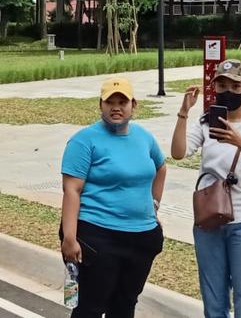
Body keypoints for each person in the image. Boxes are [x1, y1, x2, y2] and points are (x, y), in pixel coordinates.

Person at [170, 59, 241, 318]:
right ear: (214, 87)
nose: (228, 90)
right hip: (210, 222)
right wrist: (184, 112)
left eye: (236, 85)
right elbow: (178, 153)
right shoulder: (207, 124)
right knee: (214, 303)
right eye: (221, 85)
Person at [60, 77, 167, 318]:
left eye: (122, 102)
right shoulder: (84, 140)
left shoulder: (144, 137)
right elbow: (71, 190)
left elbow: (161, 167)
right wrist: (69, 237)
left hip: (140, 237)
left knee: (125, 305)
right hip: (98, 235)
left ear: (133, 105)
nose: (116, 107)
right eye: (110, 102)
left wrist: (154, 206)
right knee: (90, 307)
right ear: (101, 105)